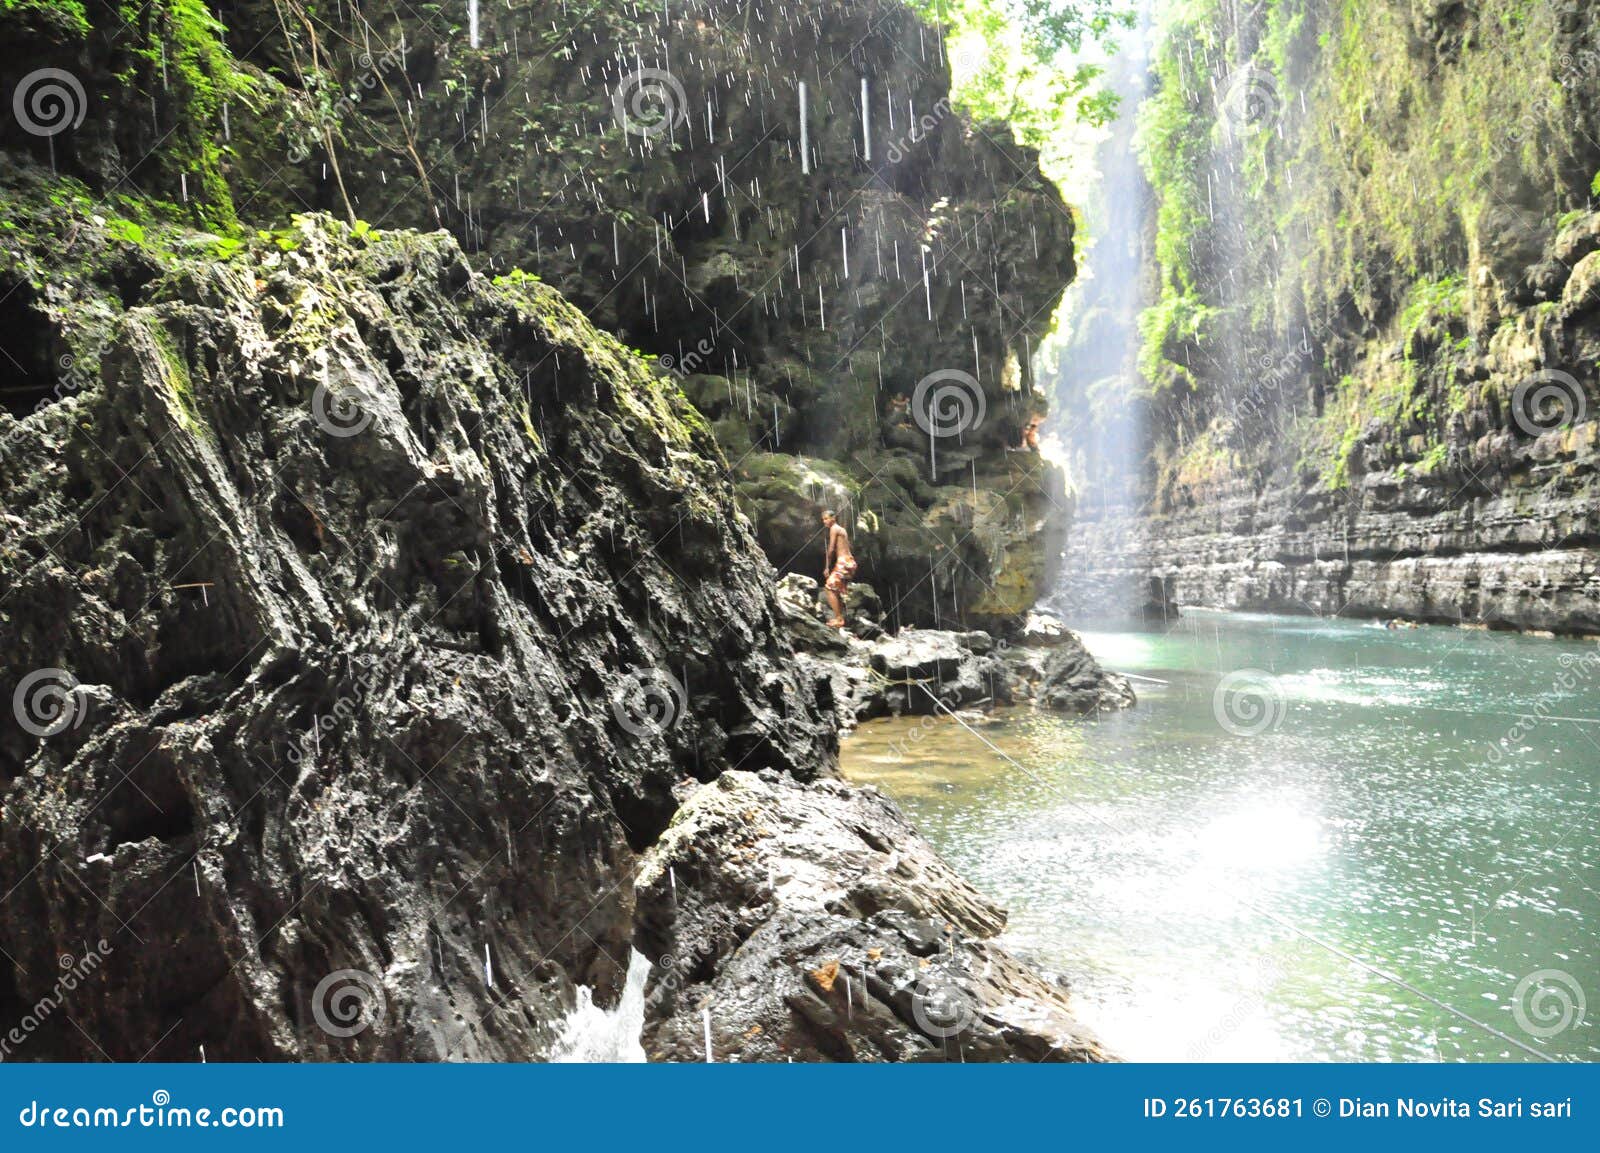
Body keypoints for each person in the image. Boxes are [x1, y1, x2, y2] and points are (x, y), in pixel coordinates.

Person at [821, 509, 857, 629]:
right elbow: (848, 546)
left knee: (829, 587)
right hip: (849, 561)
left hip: (844, 562)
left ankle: (839, 619)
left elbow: (831, 549)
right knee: (837, 590)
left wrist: (827, 567)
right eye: (823, 519)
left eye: (826, 518)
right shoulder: (842, 529)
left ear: (833, 518)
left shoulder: (834, 528)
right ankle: (842, 618)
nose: (824, 521)